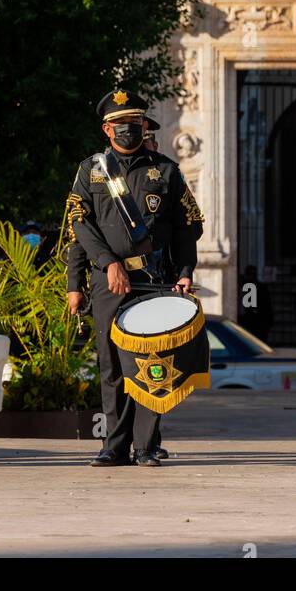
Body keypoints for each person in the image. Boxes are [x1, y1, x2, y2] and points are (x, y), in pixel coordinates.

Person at [66, 89, 203, 468]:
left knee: (151, 361)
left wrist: (186, 272)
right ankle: (114, 445)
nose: (130, 130)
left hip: (154, 280)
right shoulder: (89, 171)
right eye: (122, 125)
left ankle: (145, 446)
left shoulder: (166, 170)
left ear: (144, 125)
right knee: (111, 366)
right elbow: (79, 225)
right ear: (107, 129)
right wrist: (79, 281)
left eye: (136, 123)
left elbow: (186, 227)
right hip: (106, 280)